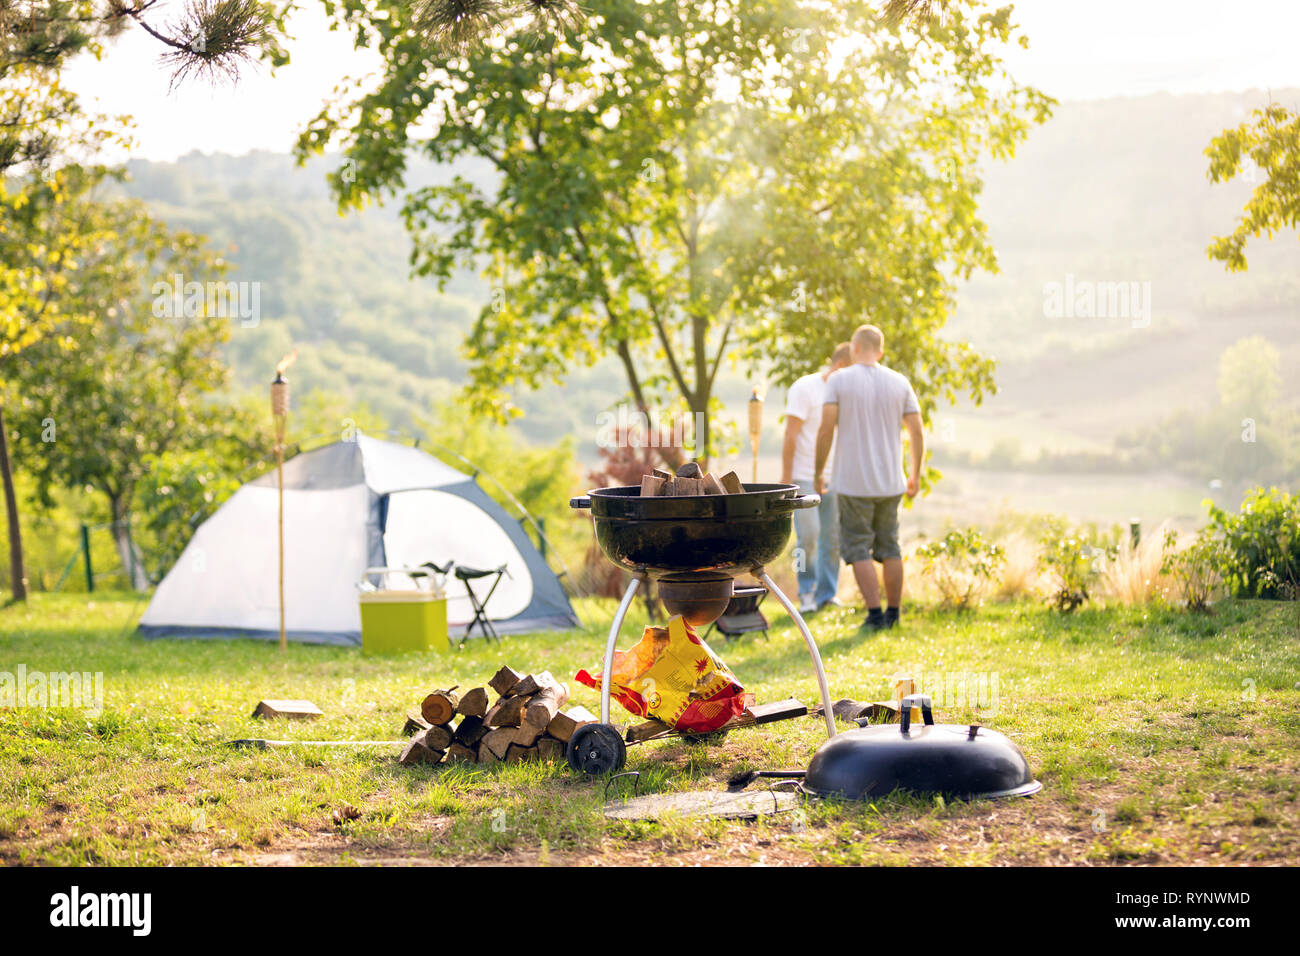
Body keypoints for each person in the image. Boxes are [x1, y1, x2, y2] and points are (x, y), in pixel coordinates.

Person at [814, 324, 925, 635]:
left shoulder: (838, 380)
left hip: (852, 482)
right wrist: (915, 473)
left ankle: (874, 614)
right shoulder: (900, 382)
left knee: (858, 547)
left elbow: (826, 430)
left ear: (853, 348)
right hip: (891, 482)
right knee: (891, 546)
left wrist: (818, 471)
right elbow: (916, 431)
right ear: (880, 351)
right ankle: (894, 613)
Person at [782, 342, 852, 613]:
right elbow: (791, 434)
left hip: (838, 477)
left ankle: (827, 594)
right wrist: (787, 477)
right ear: (841, 366)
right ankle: (807, 591)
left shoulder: (848, 392)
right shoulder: (804, 388)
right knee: (808, 537)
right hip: (804, 475)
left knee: (832, 537)